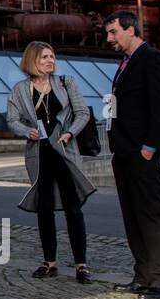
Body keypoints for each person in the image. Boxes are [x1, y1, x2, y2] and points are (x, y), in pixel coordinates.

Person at [6, 41, 97, 283]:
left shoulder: (66, 83)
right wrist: (27, 131)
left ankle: (81, 265)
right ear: (32, 60)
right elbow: (12, 120)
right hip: (39, 154)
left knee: (73, 208)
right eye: (45, 57)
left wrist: (70, 133)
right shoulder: (20, 89)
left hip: (64, 152)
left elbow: (83, 113)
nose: (50, 61)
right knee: (44, 209)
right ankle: (50, 263)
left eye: (52, 57)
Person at [103, 11, 160, 299]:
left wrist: (150, 147)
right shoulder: (124, 63)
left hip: (142, 153)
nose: (110, 38)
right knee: (132, 216)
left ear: (131, 30)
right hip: (123, 152)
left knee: (151, 214)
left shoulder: (153, 59)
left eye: (114, 32)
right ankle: (144, 275)